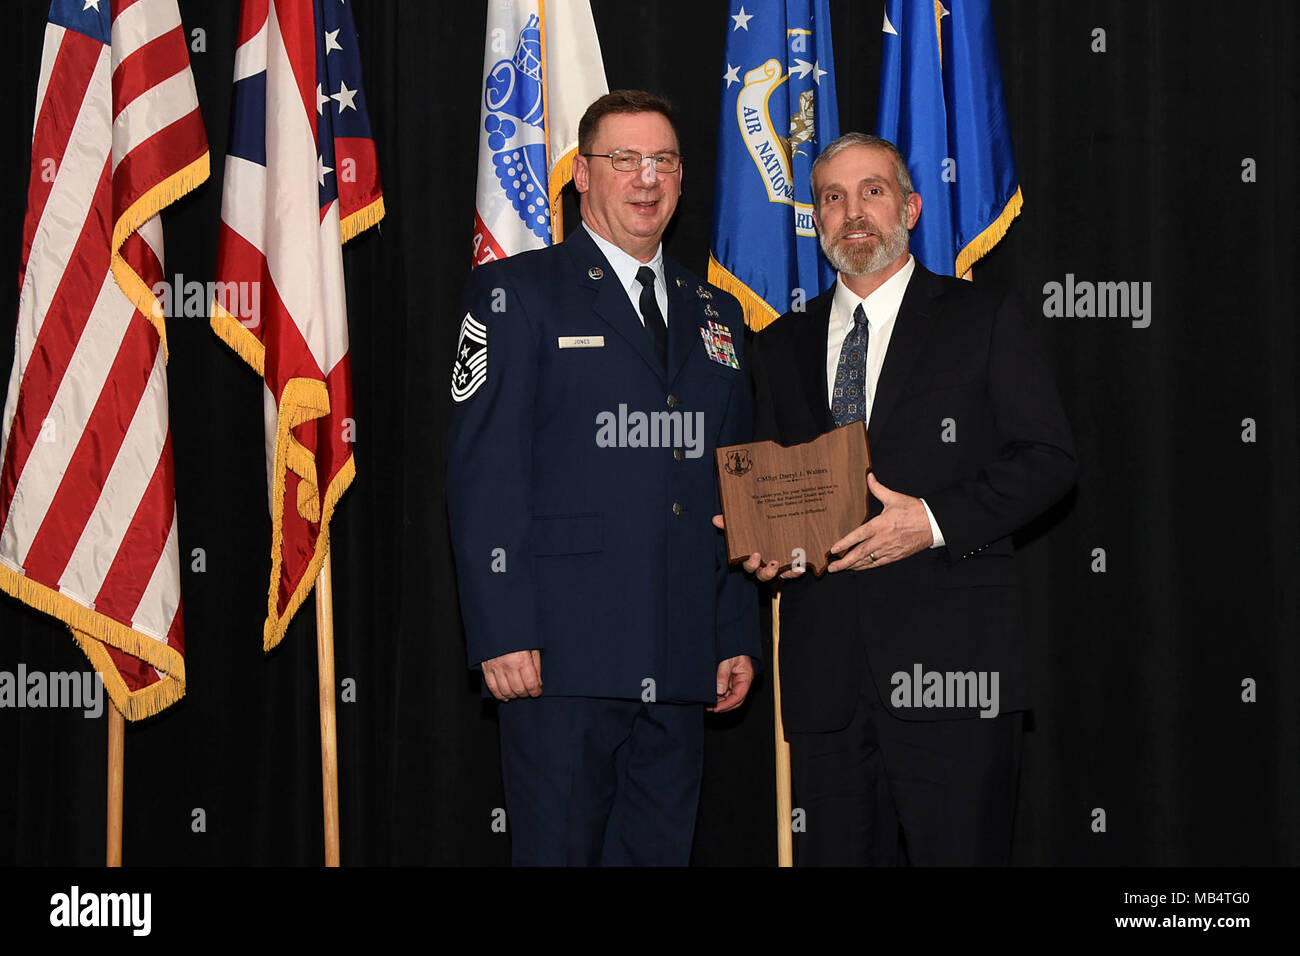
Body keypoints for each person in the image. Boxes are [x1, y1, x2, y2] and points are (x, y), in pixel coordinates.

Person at [738, 132, 1077, 865]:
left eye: (872, 191)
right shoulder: (776, 346)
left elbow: (1049, 460)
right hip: (825, 681)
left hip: (954, 672)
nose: (851, 212)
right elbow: (770, 490)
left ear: (911, 208)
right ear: (816, 220)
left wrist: (929, 521)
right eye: (831, 197)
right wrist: (762, 546)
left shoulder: (984, 318)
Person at [446, 90, 759, 866]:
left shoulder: (717, 313)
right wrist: (503, 629)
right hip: (560, 657)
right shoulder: (518, 293)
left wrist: (733, 632)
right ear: (581, 174)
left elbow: (732, 479)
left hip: (683, 653)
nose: (645, 178)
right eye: (623, 160)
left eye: (663, 162)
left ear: (682, 179)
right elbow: (484, 477)